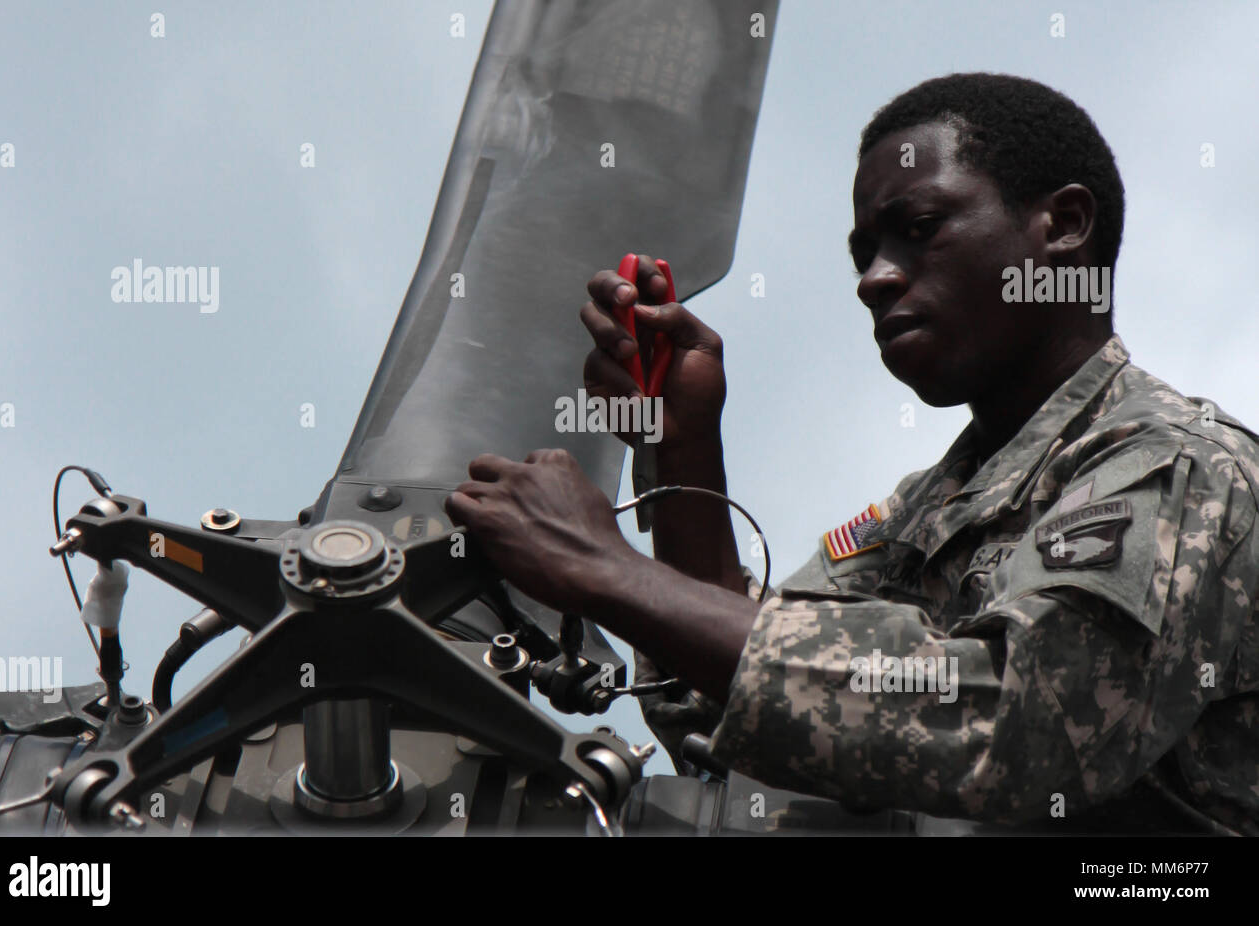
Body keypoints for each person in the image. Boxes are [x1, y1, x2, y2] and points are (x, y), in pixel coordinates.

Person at [444, 73, 1259, 835]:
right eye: (864, 253)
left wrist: (602, 567)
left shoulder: (1179, 464)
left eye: (920, 230)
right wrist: (685, 452)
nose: (875, 279)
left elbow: (1020, 723)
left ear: (1064, 226)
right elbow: (724, 696)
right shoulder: (929, 508)